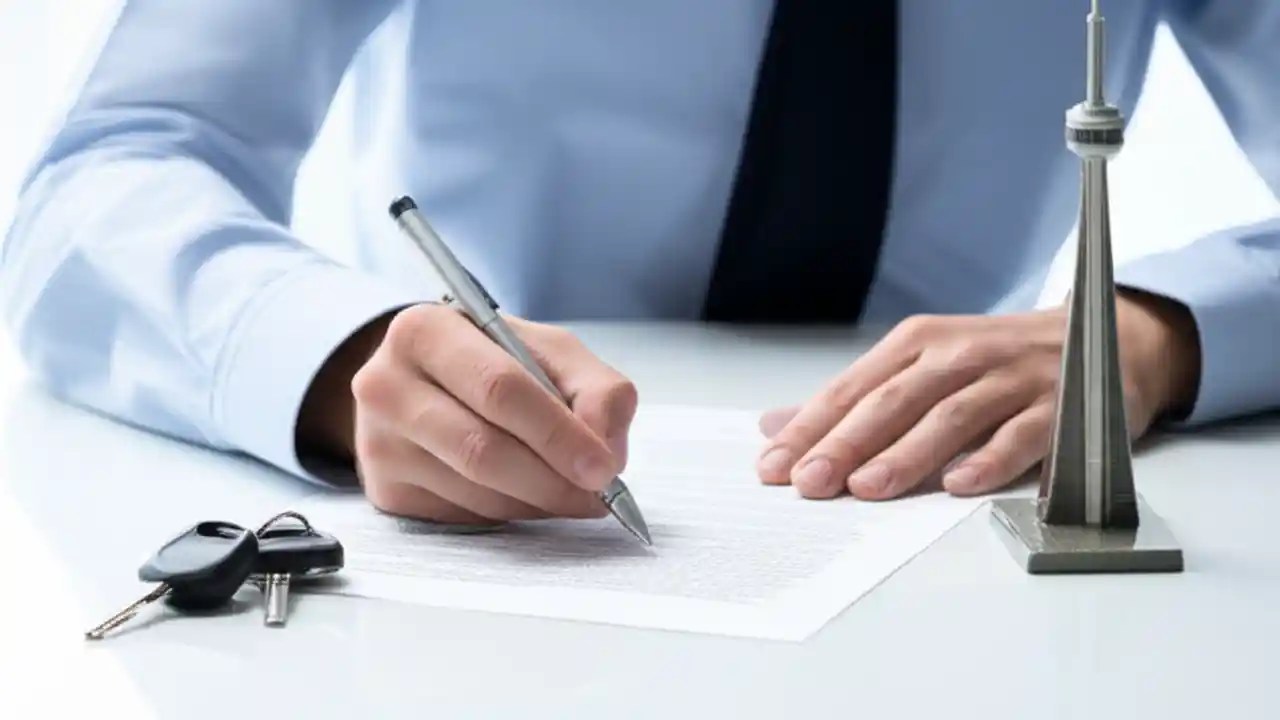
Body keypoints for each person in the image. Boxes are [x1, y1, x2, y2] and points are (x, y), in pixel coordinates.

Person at [2, 2, 1277, 525]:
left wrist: (1155, 332)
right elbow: (107, 172)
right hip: (456, 544)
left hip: (934, 521)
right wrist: (339, 360)